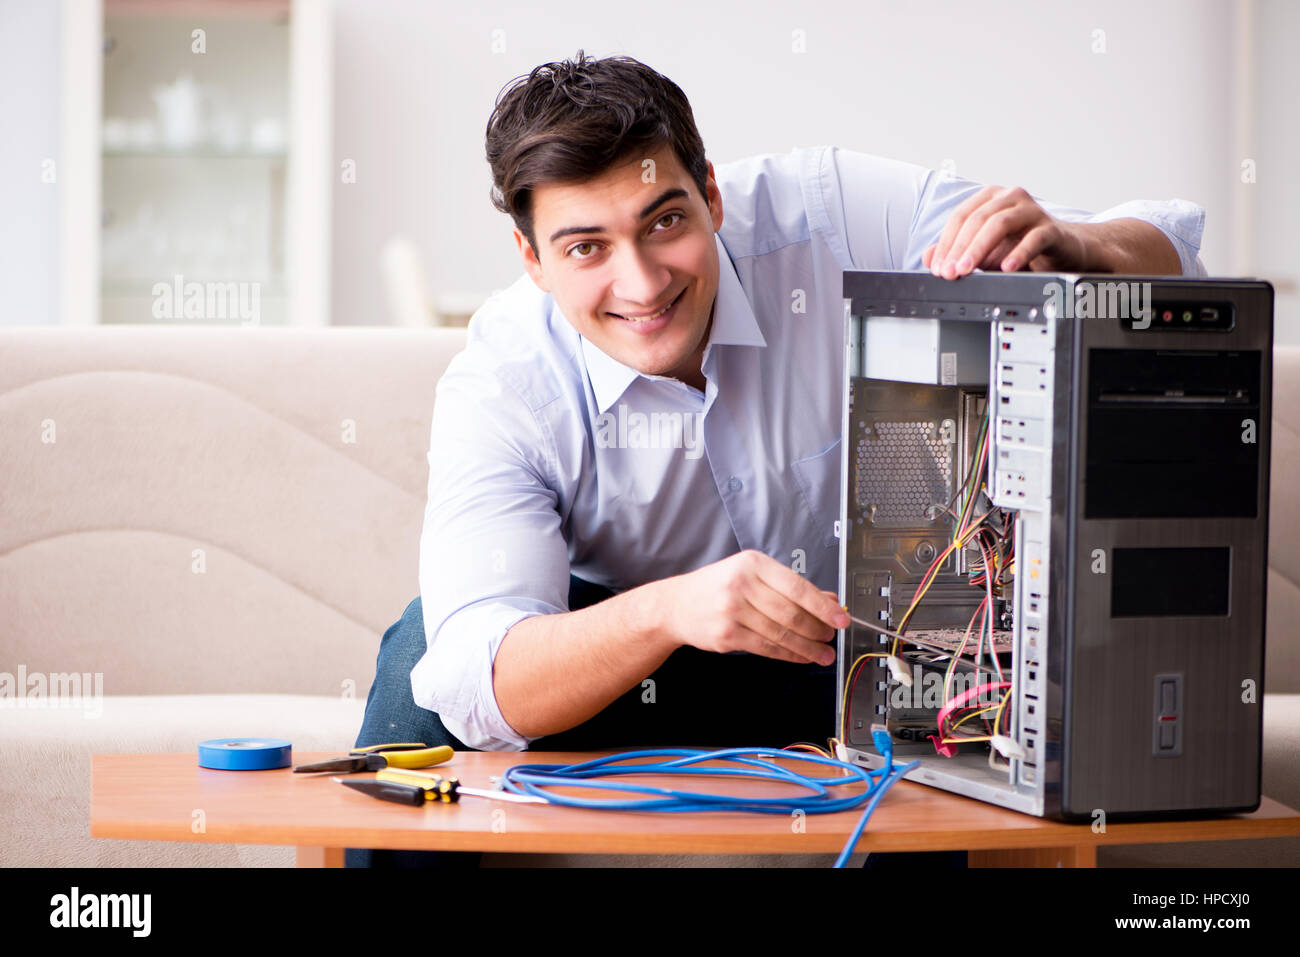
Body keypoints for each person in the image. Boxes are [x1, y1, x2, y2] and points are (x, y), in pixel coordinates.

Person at [347, 51, 1206, 868]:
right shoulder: (504, 380)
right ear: (531, 259)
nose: (643, 283)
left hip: (859, 658)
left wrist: (1081, 253)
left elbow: (1172, 252)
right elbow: (476, 680)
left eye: (665, 222)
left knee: (959, 676)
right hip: (628, 685)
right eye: (586, 248)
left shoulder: (830, 211)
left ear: (711, 194)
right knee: (421, 649)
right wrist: (666, 611)